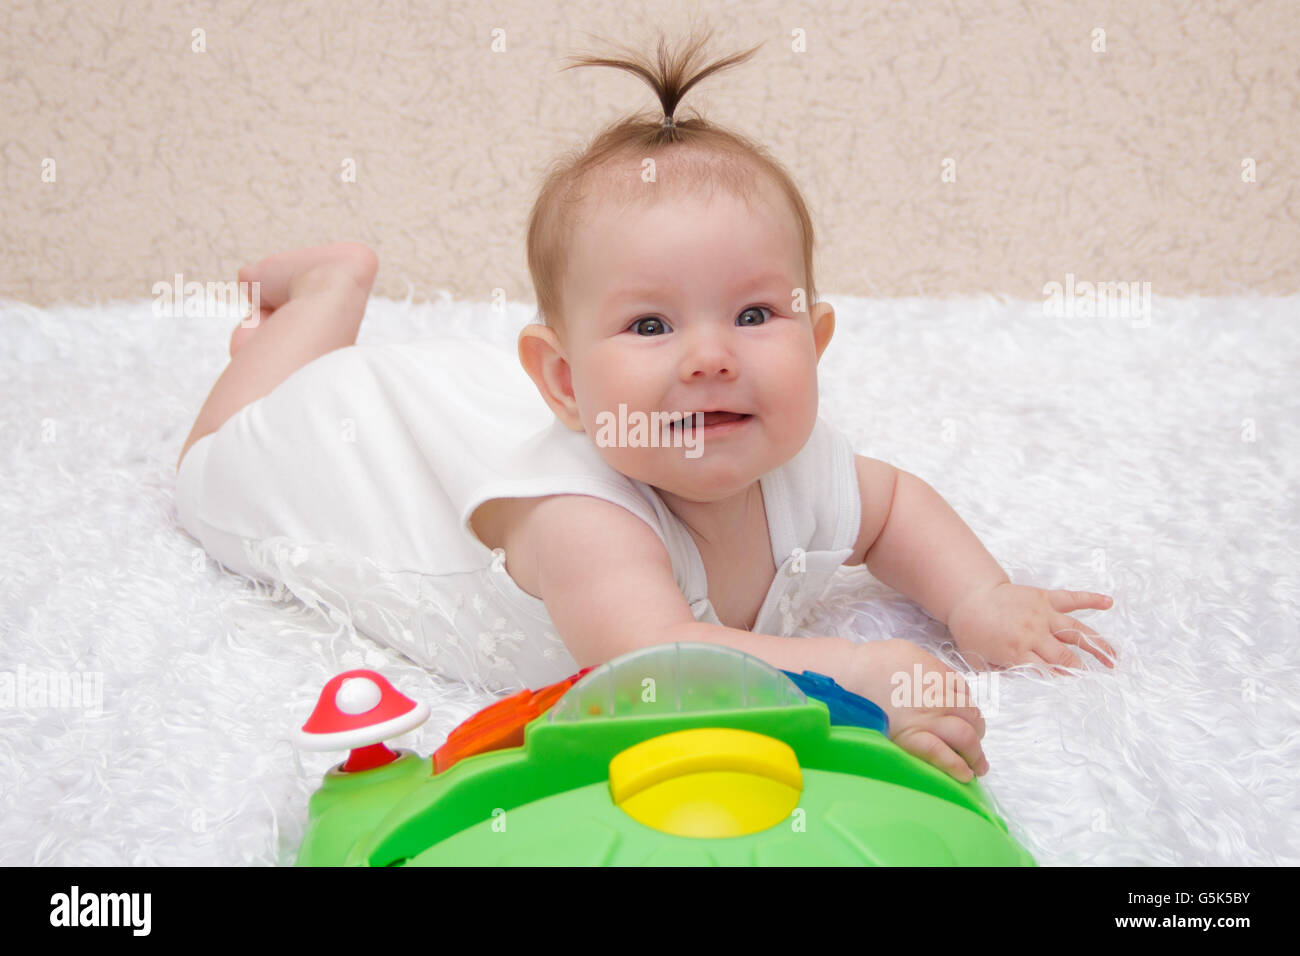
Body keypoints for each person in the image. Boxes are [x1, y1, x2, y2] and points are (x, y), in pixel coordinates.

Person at [175, 30, 1116, 783]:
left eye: (753, 314)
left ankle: (342, 303)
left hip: (463, 414)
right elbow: (664, 671)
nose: (711, 358)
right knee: (206, 466)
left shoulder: (792, 460)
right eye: (652, 324)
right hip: (346, 447)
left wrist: (978, 596)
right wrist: (857, 675)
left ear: (816, 343)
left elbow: (897, 508)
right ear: (567, 386)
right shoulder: (583, 523)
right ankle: (328, 296)